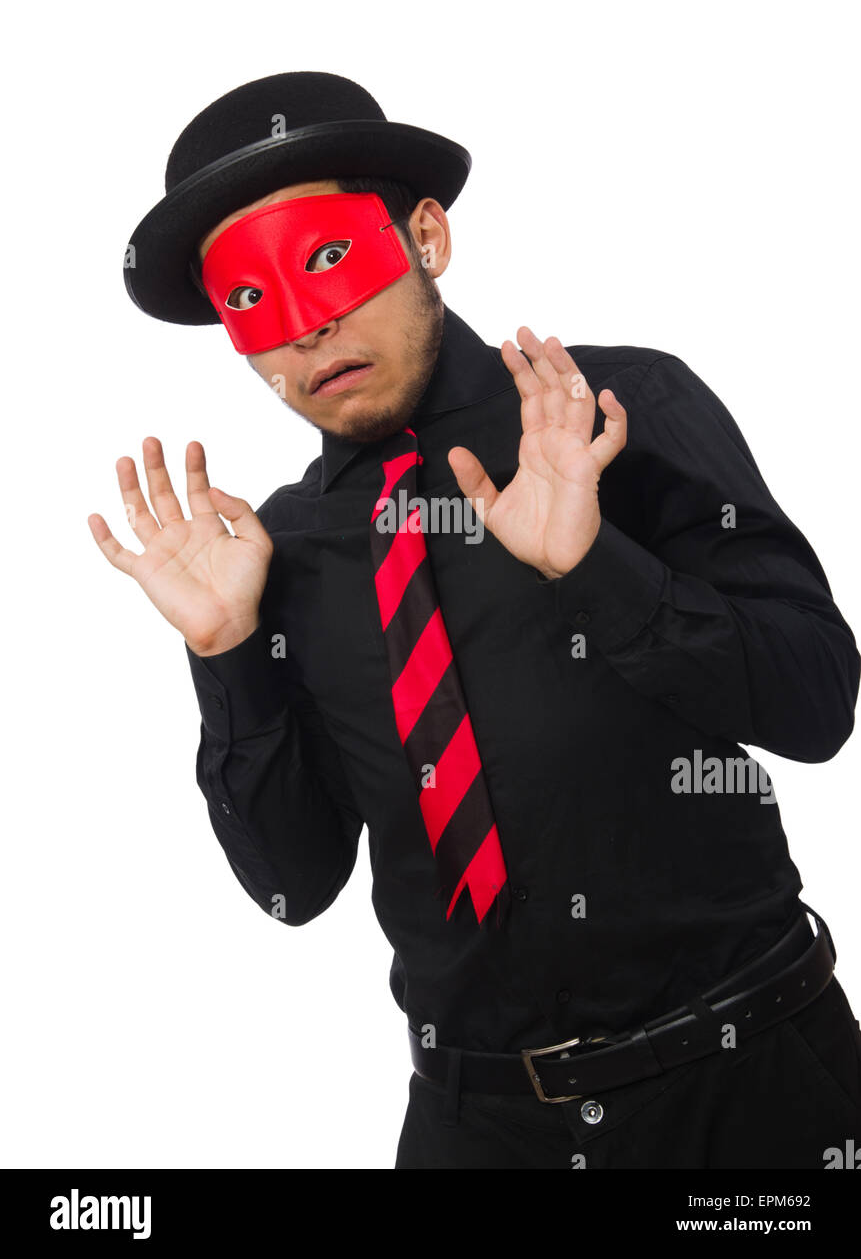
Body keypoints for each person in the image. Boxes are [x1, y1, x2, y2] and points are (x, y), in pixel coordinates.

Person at [91, 70, 861, 1168]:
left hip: (757, 1093)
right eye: (252, 303)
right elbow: (293, 884)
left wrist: (599, 566)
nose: (309, 332)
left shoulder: (613, 410)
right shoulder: (279, 555)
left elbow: (817, 703)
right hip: (480, 1126)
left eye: (326, 262)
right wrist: (226, 658)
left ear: (426, 237)